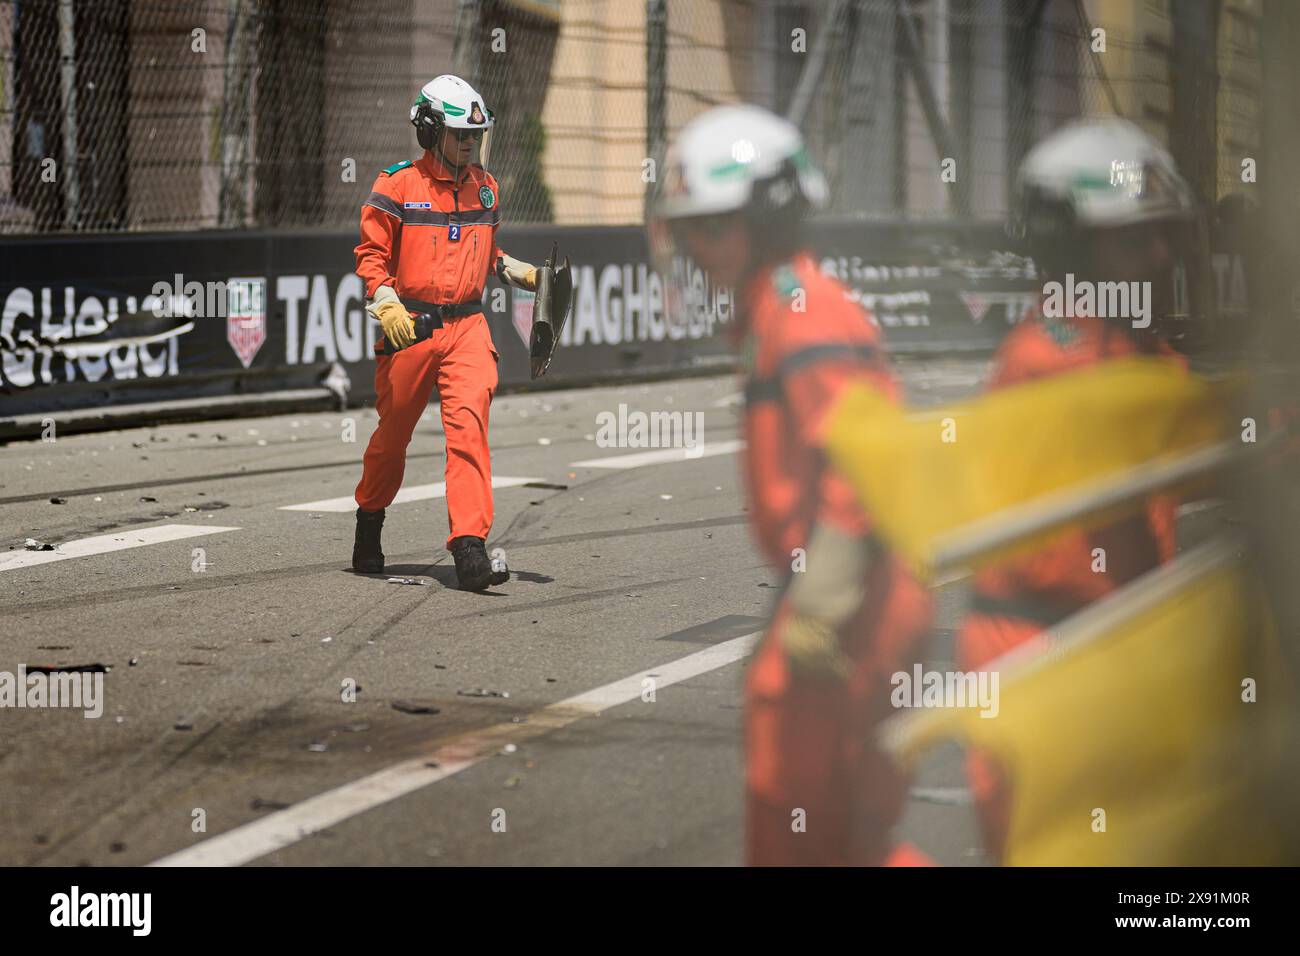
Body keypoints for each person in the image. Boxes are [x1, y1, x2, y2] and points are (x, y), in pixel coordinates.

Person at [650, 104, 932, 865]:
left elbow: (866, 468)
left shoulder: (801, 318)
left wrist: (817, 609)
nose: (696, 247)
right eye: (689, 229)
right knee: (841, 838)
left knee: (802, 826)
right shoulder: (779, 309)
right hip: (841, 595)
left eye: (712, 226)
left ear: (768, 218)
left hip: (852, 605)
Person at [956, 118, 1199, 856]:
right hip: (1043, 655)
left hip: (1114, 648)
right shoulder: (1055, 358)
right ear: (1070, 245)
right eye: (1133, 240)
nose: (1159, 257)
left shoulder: (1138, 351)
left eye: (1163, 235)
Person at [350, 74, 542, 590]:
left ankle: (469, 546)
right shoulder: (395, 186)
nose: (469, 144)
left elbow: (485, 247)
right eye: (460, 134)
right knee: (392, 438)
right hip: (409, 326)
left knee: (469, 432)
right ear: (430, 131)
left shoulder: (486, 186)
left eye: (475, 136)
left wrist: (512, 268)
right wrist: (384, 299)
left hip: (468, 327)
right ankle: (369, 520)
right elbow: (370, 256)